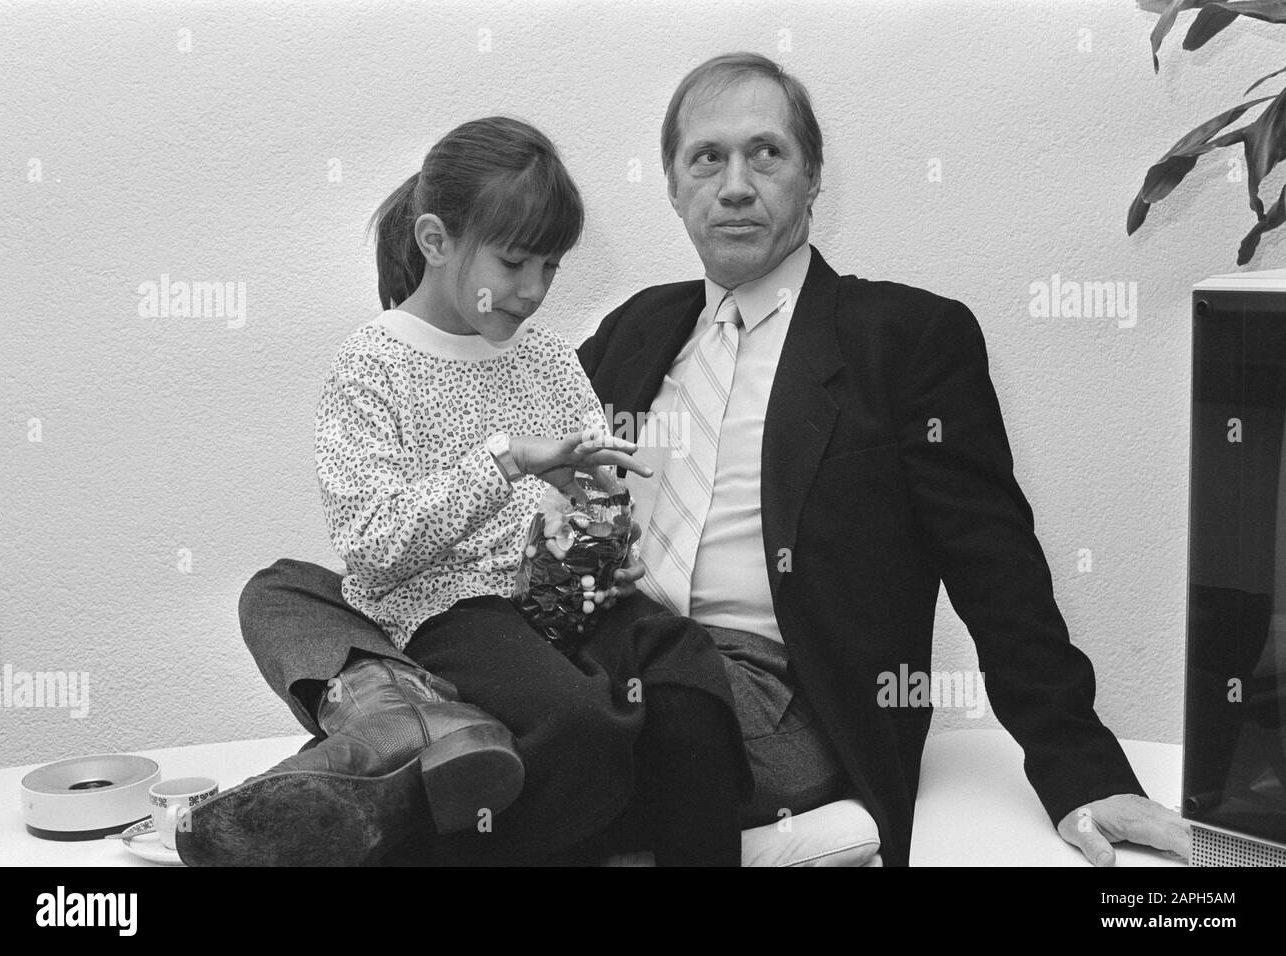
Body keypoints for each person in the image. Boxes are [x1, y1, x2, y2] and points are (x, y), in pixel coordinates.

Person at [574, 51, 1191, 867]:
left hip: (791, 701)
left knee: (556, 754)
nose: (734, 185)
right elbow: (545, 497)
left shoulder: (903, 339)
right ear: (672, 185)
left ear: (813, 176)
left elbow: (995, 567)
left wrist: (1083, 772)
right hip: (617, 660)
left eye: (767, 153)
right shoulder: (632, 330)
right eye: (706, 158)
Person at [177, 116, 750, 868]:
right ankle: (400, 828)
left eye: (550, 267)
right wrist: (506, 461)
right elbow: (373, 550)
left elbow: (591, 501)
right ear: (436, 241)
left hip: (554, 603)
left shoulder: (546, 359)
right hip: (448, 606)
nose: (535, 290)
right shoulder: (371, 365)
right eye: (515, 263)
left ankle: (407, 795)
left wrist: (598, 531)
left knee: (690, 683)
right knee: (577, 722)